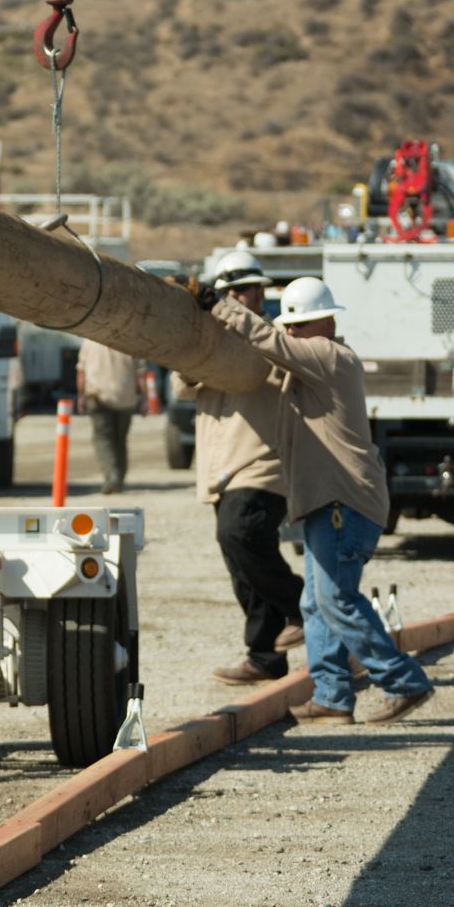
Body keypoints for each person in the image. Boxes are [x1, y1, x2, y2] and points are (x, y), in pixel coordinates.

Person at [207, 275, 434, 724]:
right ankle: (332, 696)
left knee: (336, 600)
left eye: (301, 324)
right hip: (326, 502)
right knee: (315, 603)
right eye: (290, 325)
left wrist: (218, 305)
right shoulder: (311, 365)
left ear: (327, 322)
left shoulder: (330, 358)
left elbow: (270, 340)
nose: (292, 332)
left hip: (342, 502)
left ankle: (404, 680)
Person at [188, 251, 304, 685]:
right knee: (239, 561)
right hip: (221, 467)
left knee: (240, 534)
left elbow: (261, 361)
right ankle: (265, 655)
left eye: (244, 289)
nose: (237, 297)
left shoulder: (271, 338)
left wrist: (221, 310)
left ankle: (304, 606)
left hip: (260, 462)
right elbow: (183, 381)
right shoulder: (208, 345)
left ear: (260, 292)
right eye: (229, 290)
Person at [76, 335, 141, 494]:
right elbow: (140, 373)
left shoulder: (90, 340)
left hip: (98, 395)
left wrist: (81, 396)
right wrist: (145, 398)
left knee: (103, 439)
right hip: (125, 398)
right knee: (120, 440)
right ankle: (119, 477)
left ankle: (112, 475)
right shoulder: (130, 341)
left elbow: (82, 371)